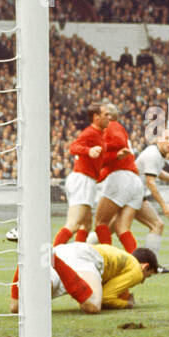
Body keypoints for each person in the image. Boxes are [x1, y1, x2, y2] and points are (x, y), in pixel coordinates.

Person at [10, 243, 158, 314]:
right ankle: (45, 254)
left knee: (20, 307)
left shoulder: (122, 258)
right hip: (84, 257)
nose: (142, 281)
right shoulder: (136, 270)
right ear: (145, 267)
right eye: (147, 276)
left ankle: (26, 253)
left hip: (65, 250)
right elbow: (106, 297)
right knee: (93, 305)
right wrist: (127, 304)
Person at [55, 101, 113, 245]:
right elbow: (73, 147)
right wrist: (88, 151)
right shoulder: (90, 132)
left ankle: (76, 254)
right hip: (83, 180)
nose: (109, 117)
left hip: (87, 180)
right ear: (96, 117)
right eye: (106, 114)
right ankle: (52, 256)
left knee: (86, 225)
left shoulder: (99, 134)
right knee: (74, 224)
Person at [132, 133, 169, 270]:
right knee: (157, 225)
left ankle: (84, 246)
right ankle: (149, 265)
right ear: (158, 139)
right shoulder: (154, 154)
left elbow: (158, 172)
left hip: (130, 192)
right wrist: (164, 206)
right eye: (167, 138)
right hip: (133, 194)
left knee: (110, 227)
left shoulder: (155, 153)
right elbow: (151, 182)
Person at [92, 105, 143, 251]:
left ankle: (108, 260)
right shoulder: (119, 128)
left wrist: (101, 147)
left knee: (101, 223)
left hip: (121, 177)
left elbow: (118, 142)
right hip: (134, 180)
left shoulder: (112, 126)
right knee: (122, 227)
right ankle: (136, 262)